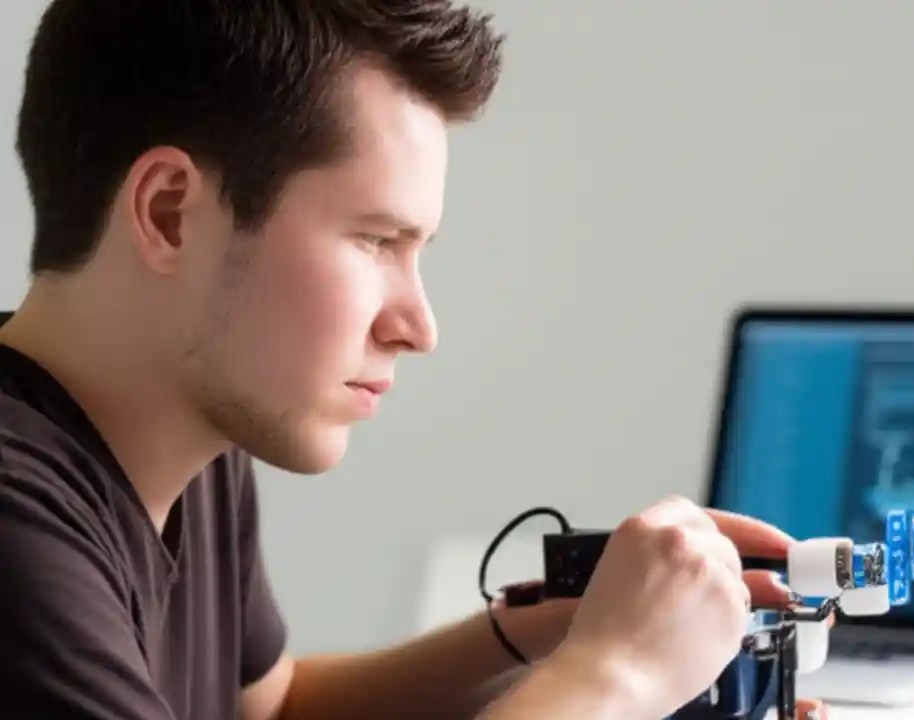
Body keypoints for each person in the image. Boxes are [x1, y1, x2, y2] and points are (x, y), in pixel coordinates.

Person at [0, 2, 829, 718]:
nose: (417, 325)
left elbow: (273, 708)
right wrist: (615, 674)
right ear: (172, 214)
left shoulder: (185, 432)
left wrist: (532, 635)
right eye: (374, 241)